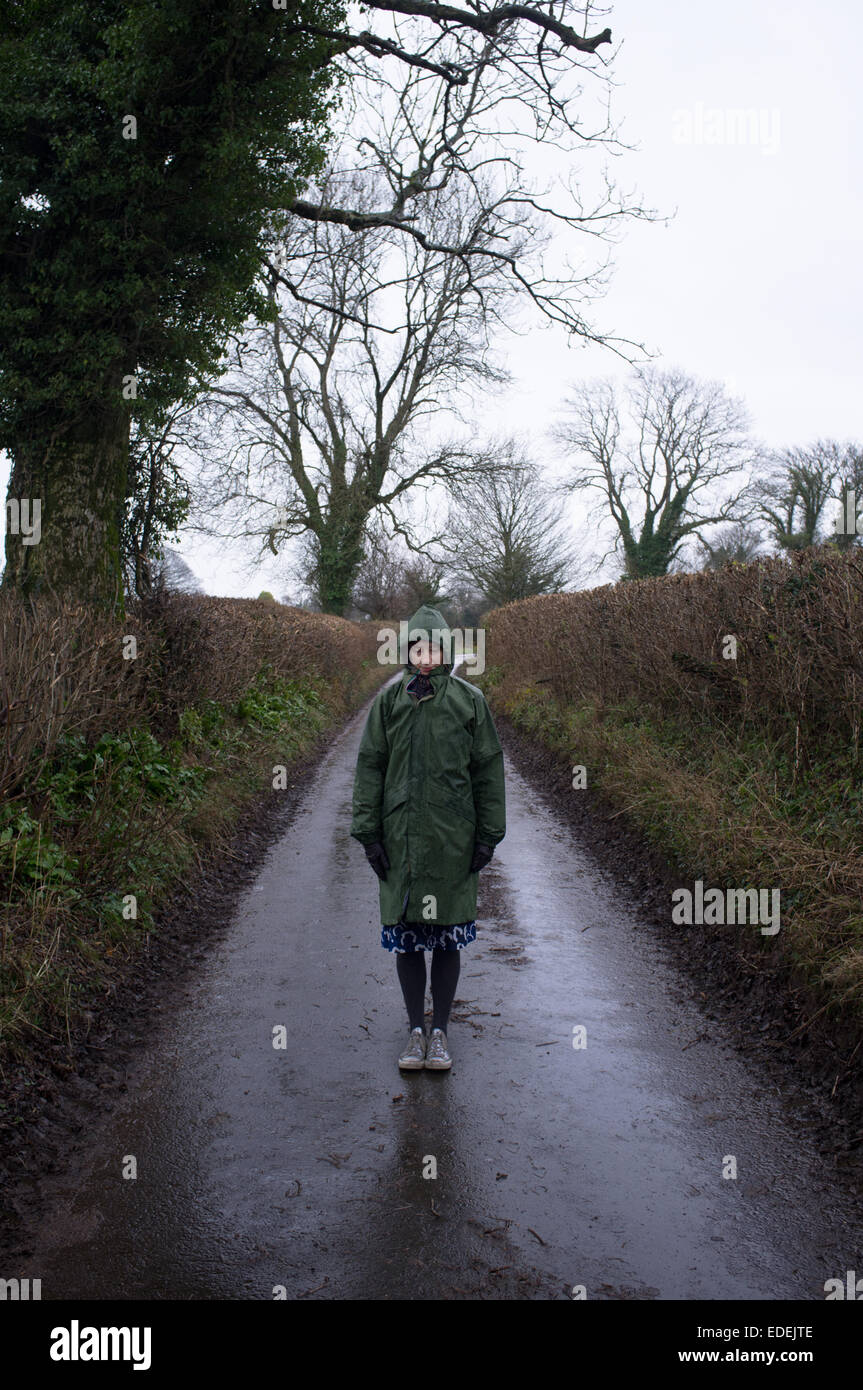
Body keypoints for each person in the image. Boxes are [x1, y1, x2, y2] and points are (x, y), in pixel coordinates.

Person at [351, 603, 506, 1071]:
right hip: (400, 842)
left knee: (446, 940)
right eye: (418, 647)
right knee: (407, 939)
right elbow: (370, 767)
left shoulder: (469, 700)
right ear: (407, 651)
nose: (425, 656)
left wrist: (488, 834)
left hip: (450, 841)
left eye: (434, 648)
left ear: (447, 652)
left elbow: (488, 769)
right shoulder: (389, 702)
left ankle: (441, 1033)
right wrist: (368, 833)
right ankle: (414, 1030)